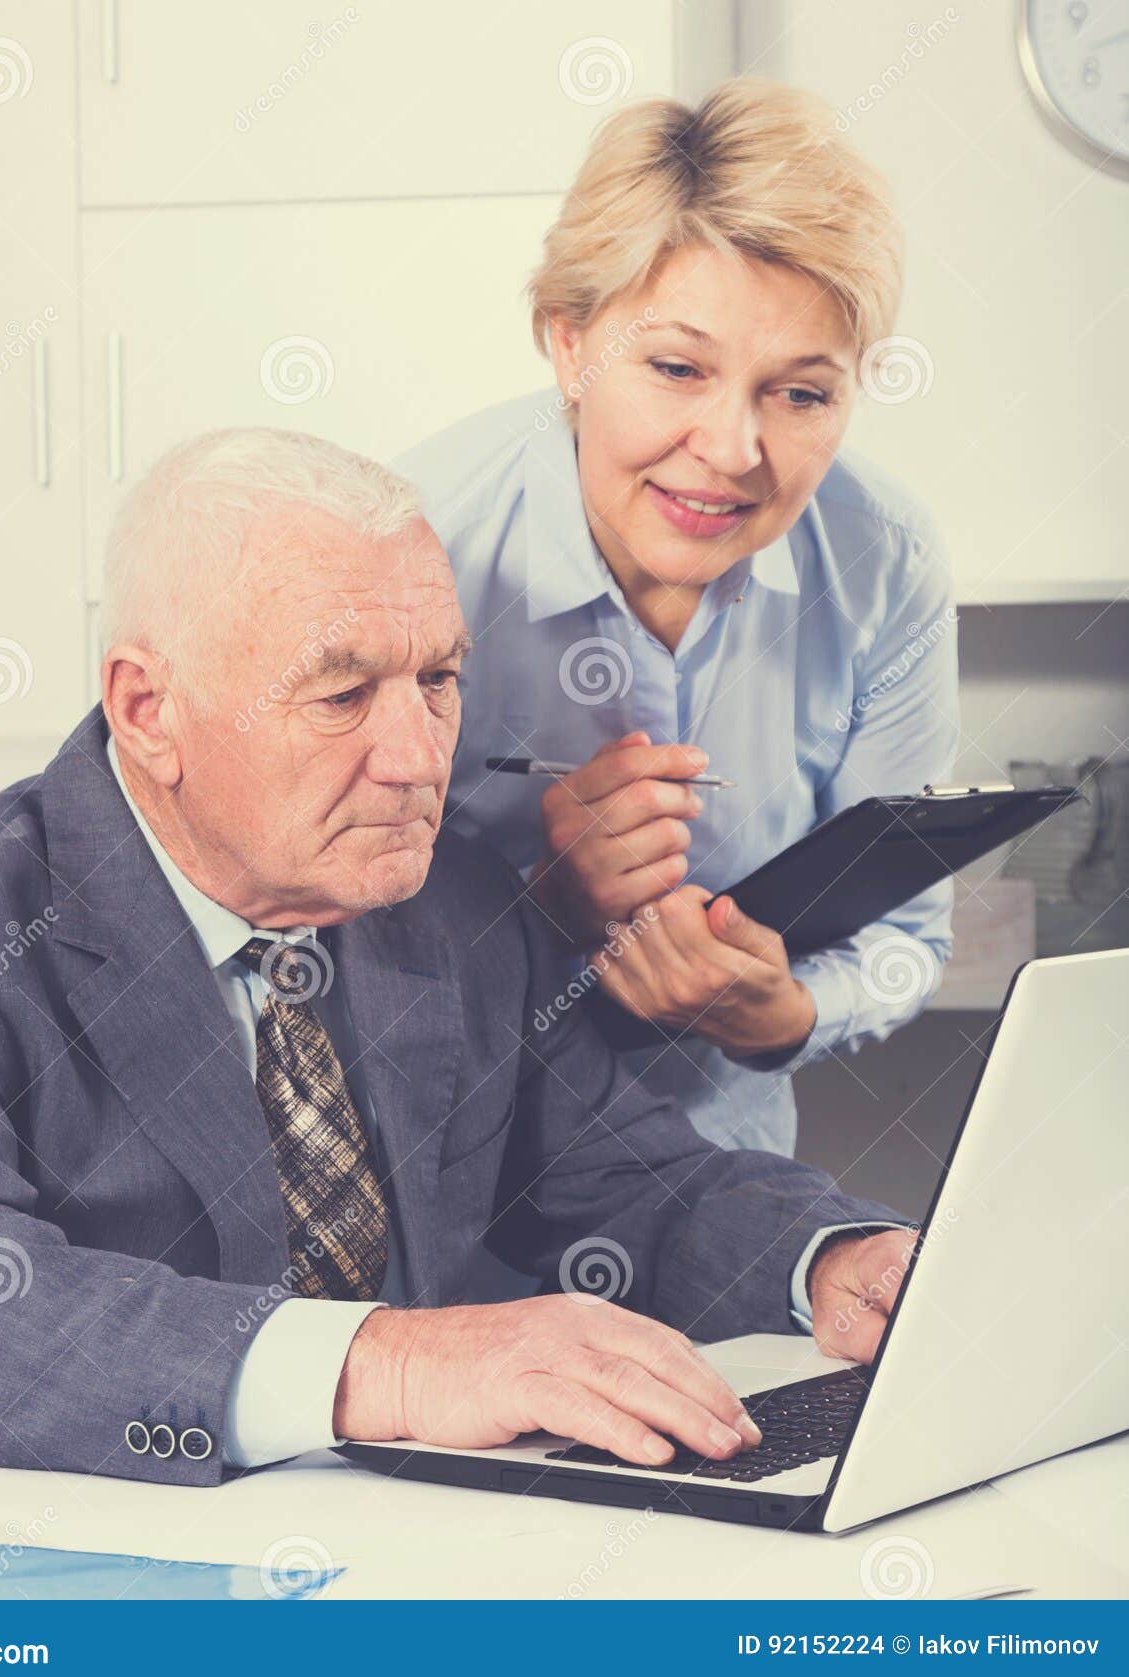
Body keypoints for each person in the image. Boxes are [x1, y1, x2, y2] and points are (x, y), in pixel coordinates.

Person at [0, 429, 913, 1487]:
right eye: (341, 694)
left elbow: (627, 1183)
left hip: (385, 1570)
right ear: (148, 709)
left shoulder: (449, 897)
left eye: (436, 679)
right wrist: (394, 1364)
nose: (418, 758)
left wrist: (829, 1257)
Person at [397, 79, 959, 1156]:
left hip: (726, 1180)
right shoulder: (412, 548)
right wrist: (543, 912)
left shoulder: (882, 560)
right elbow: (298, 957)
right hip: (453, 1175)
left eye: (799, 393)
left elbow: (904, 935)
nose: (731, 448)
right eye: (673, 368)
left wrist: (782, 1016)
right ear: (568, 345)